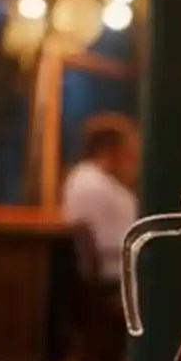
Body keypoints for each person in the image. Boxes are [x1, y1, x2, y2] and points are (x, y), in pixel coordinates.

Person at [62, 114, 139, 285]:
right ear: (108, 151)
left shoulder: (84, 177)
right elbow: (115, 240)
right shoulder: (95, 184)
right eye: (128, 152)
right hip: (114, 275)